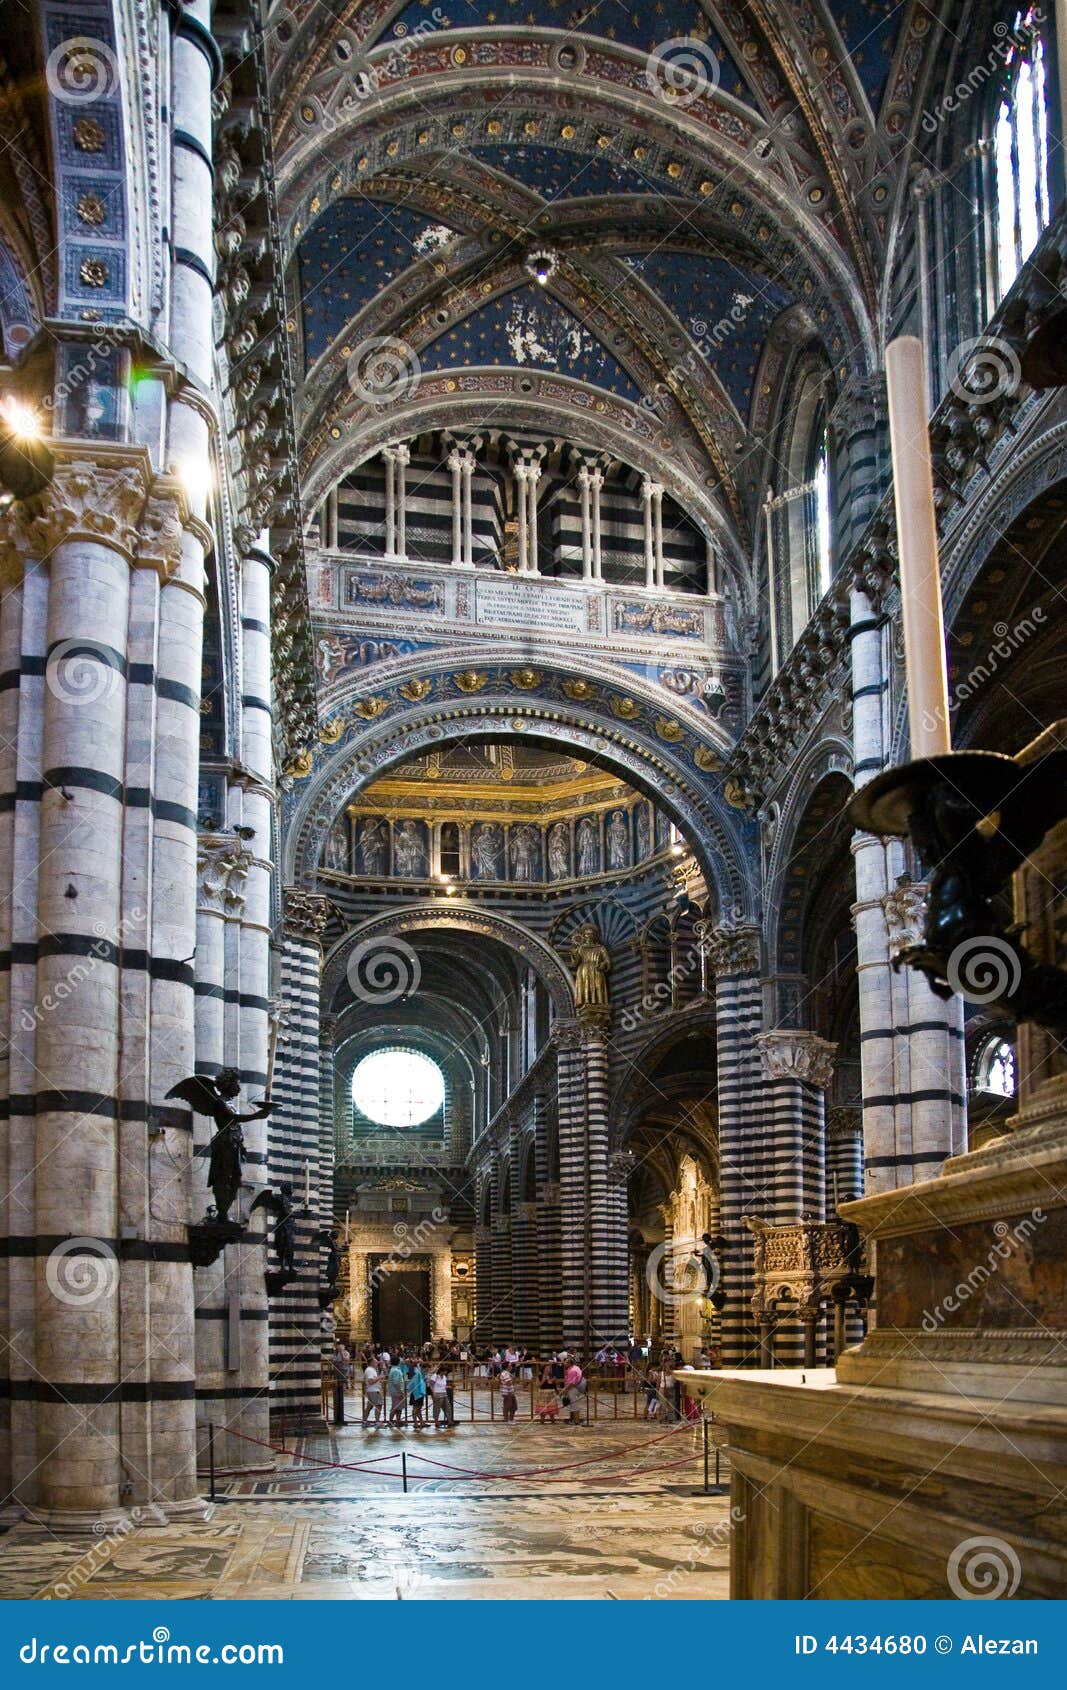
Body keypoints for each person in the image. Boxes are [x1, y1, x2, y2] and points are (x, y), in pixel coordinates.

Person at [331, 1343, 351, 1427]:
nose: (338, 1349)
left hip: (344, 1370)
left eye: (340, 1348)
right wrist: (337, 1361)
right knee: (338, 1388)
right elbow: (334, 1361)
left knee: (343, 1383)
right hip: (338, 1371)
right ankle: (338, 1418)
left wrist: (342, 1353)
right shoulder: (337, 1353)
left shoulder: (345, 1353)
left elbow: (345, 1360)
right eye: (338, 1348)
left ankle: (345, 1386)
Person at [563, 1356, 585, 1426]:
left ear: (570, 1363)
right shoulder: (576, 1367)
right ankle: (572, 1419)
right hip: (577, 1388)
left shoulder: (572, 1371)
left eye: (566, 1362)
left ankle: (576, 1420)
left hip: (573, 1389)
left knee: (574, 1404)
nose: (564, 1363)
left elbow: (571, 1383)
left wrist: (565, 1390)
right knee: (573, 1404)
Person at [363, 1357, 384, 1427]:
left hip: (371, 1390)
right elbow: (370, 1381)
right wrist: (380, 1377)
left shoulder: (371, 1370)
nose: (377, 1363)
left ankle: (364, 1421)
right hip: (374, 1391)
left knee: (369, 1406)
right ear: (371, 1363)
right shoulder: (370, 1370)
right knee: (378, 1405)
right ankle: (377, 1422)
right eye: (375, 1362)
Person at [387, 1359, 408, 1427]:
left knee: (399, 1407)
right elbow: (396, 1383)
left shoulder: (393, 1369)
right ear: (398, 1362)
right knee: (395, 1406)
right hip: (397, 1391)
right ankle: (391, 1421)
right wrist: (400, 1392)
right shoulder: (396, 1370)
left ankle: (398, 1421)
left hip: (396, 1391)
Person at [409, 1360, 427, 1429]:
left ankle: (421, 1421)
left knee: (419, 1407)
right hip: (415, 1391)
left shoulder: (421, 1369)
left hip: (420, 1390)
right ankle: (415, 1422)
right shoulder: (412, 1369)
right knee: (415, 1407)